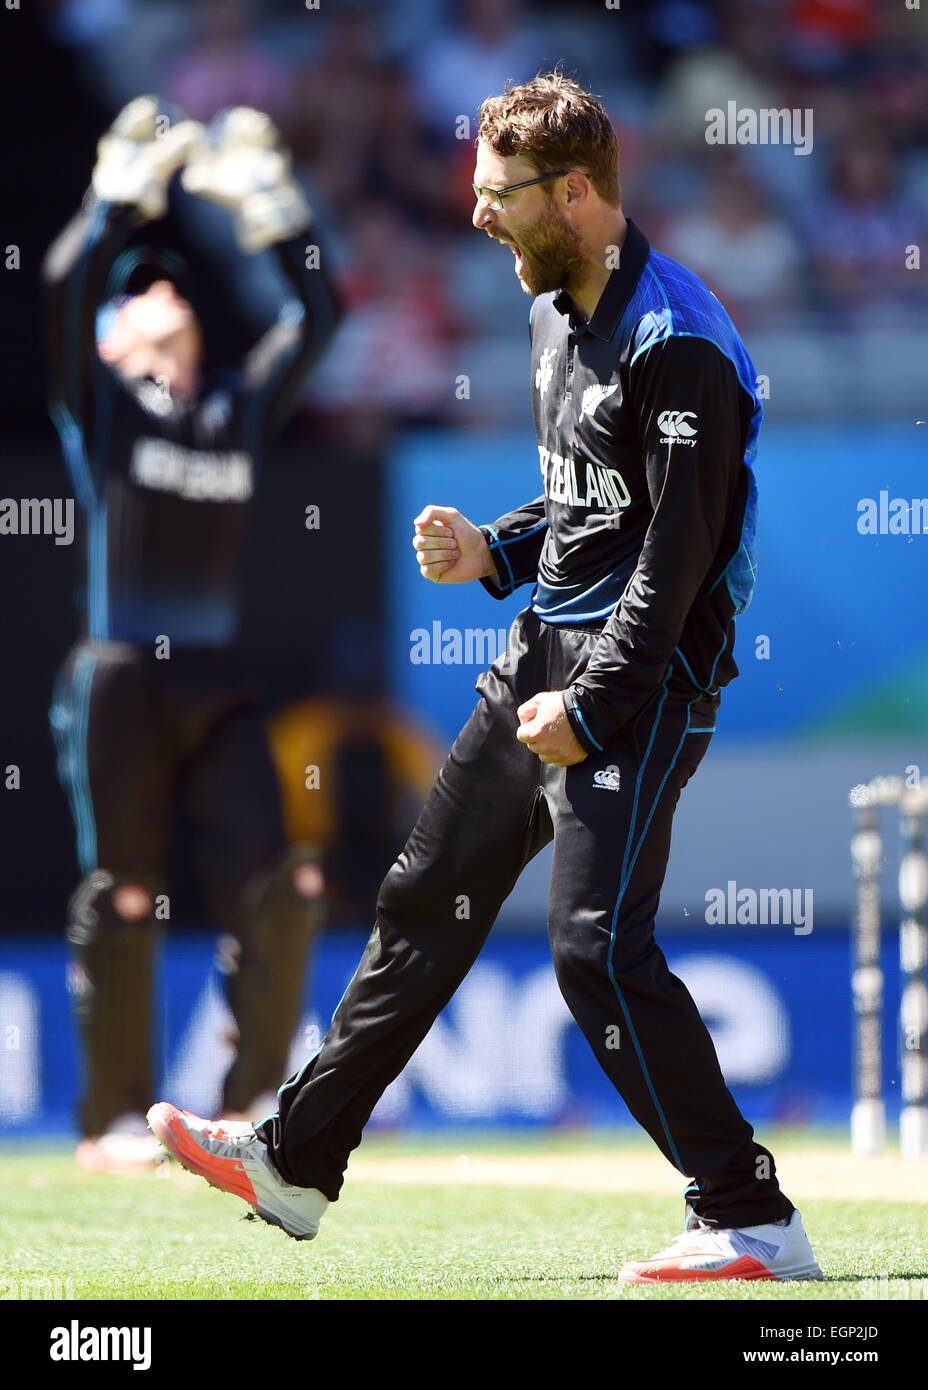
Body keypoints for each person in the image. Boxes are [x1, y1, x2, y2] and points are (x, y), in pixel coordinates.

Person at [148, 72, 822, 1283]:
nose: (475, 216)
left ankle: (750, 1215)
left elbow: (676, 560)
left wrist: (595, 706)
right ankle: (298, 1162)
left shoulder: (682, 344)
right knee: (422, 895)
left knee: (592, 949)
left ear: (576, 193)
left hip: (647, 678)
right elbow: (584, 510)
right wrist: (496, 551)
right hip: (544, 657)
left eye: (495, 194)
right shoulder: (552, 299)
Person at [43, 96, 341, 1171]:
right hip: (120, 672)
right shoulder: (105, 404)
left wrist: (272, 209)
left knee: (284, 884)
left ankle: (253, 1102)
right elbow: (62, 283)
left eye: (173, 282)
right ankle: (110, 1122)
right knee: (123, 892)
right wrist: (114, 199)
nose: (159, 292)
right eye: (138, 295)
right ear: (111, 338)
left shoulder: (232, 410)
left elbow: (320, 316)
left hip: (215, 676)